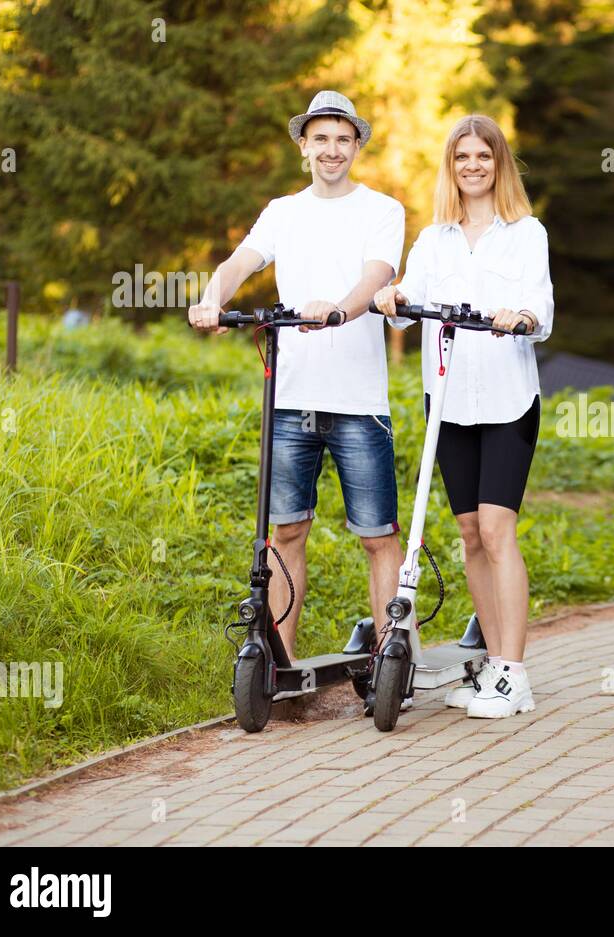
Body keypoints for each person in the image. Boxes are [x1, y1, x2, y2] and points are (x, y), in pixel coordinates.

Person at [189, 91, 409, 683]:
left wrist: (336, 310)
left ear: (356, 145)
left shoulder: (382, 209)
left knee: (375, 536)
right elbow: (240, 262)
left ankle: (391, 658)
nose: (332, 150)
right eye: (321, 139)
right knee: (285, 531)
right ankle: (277, 668)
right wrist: (214, 299)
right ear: (303, 147)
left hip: (358, 402)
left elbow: (376, 277)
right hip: (291, 399)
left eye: (343, 139)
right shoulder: (283, 211)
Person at [373, 114, 554, 719]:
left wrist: (520, 318)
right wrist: (390, 296)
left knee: (499, 530)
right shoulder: (434, 240)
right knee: (471, 533)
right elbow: (403, 308)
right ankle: (491, 670)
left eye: (484, 156)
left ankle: (514, 673)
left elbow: (541, 308)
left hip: (507, 401)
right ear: (450, 168)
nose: (473, 166)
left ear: (499, 163)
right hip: (449, 404)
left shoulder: (526, 233)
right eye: (461, 158)